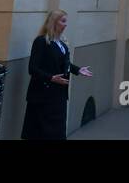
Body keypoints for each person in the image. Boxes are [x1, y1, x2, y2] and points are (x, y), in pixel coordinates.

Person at [22, 9, 92, 140]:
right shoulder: (41, 41)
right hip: (43, 96)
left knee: (57, 132)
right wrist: (51, 78)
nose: (66, 24)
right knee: (42, 133)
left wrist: (77, 70)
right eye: (63, 21)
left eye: (66, 21)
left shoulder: (62, 44)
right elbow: (32, 68)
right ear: (54, 22)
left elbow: (64, 64)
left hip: (58, 95)